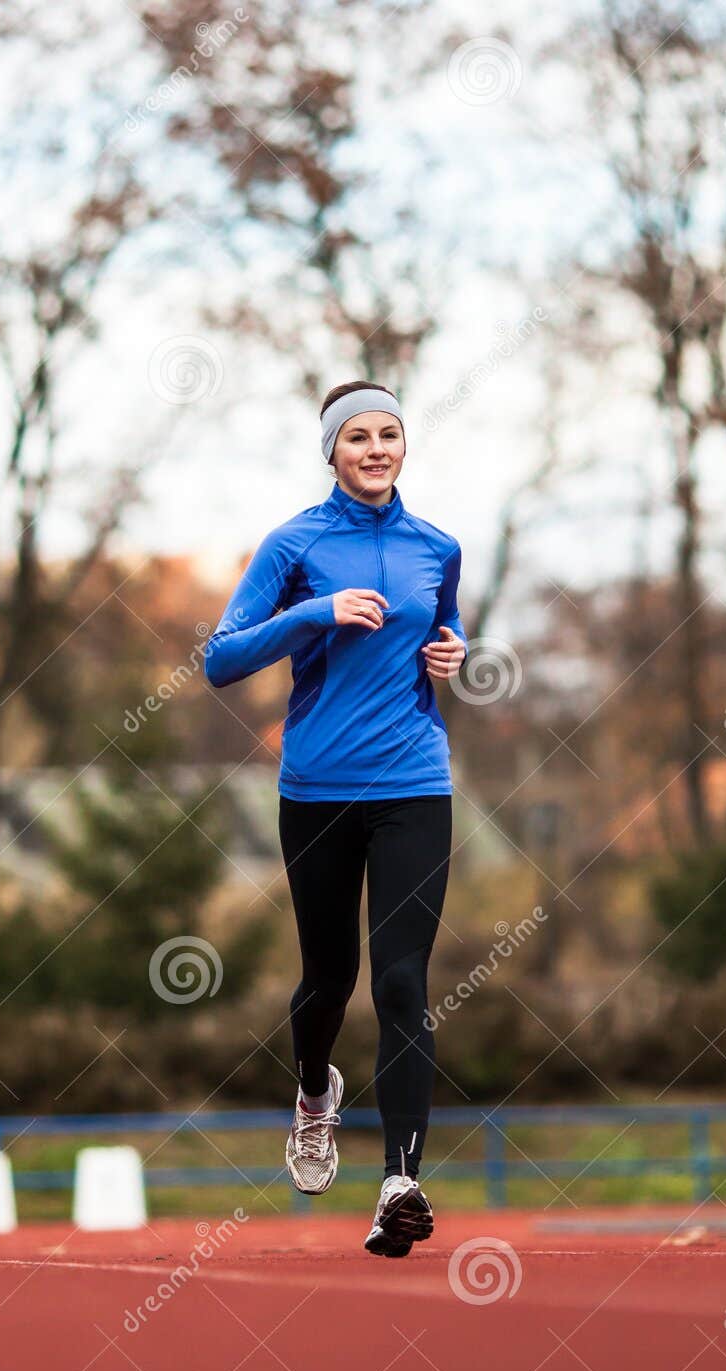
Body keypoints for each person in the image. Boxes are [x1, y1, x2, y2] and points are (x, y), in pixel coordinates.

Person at [203, 381, 467, 1256]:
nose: (377, 448)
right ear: (331, 451)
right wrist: (315, 612)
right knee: (328, 979)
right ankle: (315, 1094)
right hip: (316, 787)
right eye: (358, 437)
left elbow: (447, 628)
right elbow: (219, 660)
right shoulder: (295, 544)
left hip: (415, 785)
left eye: (390, 434)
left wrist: (452, 653)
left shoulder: (440, 546)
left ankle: (401, 1181)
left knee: (401, 981)